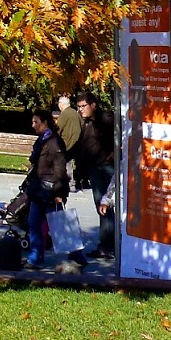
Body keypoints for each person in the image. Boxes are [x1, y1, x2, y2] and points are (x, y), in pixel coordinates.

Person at [22, 109, 72, 270]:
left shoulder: (54, 142)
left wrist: (59, 193)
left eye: (36, 122)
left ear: (45, 123)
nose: (33, 125)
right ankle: (35, 257)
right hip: (39, 189)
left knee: (61, 227)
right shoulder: (42, 140)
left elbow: (60, 169)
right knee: (34, 223)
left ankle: (79, 256)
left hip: (50, 189)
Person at [72, 91, 115, 261]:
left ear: (93, 105)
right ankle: (106, 244)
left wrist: (112, 153)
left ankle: (108, 246)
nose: (81, 110)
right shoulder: (87, 123)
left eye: (83, 106)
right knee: (102, 207)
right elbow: (83, 147)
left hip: (104, 168)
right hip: (95, 169)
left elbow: (120, 135)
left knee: (105, 207)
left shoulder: (105, 119)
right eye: (79, 107)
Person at [55, 95, 82, 159]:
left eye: (59, 103)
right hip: (76, 146)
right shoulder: (76, 113)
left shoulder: (64, 114)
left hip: (65, 146)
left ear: (61, 104)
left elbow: (57, 130)